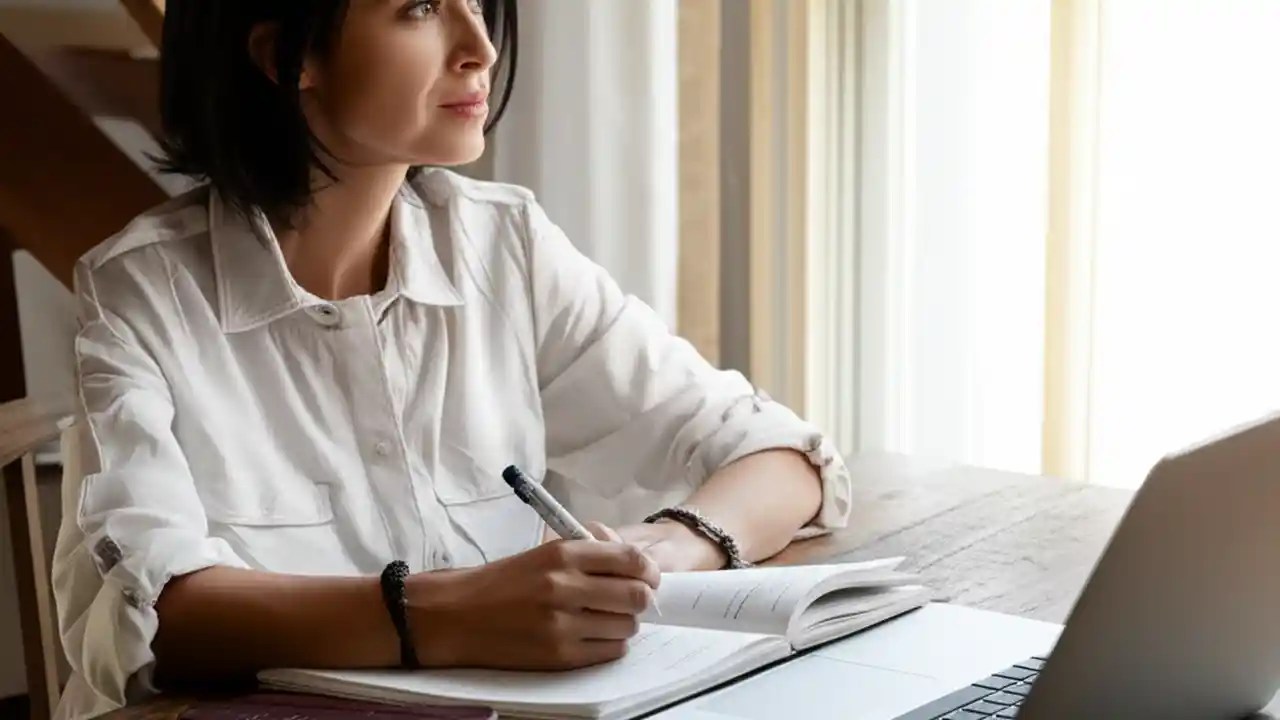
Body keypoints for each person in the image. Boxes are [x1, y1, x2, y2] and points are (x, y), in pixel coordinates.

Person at [50, 1, 852, 719]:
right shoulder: (139, 291)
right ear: (287, 58)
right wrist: (448, 612)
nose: (480, 48)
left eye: (475, 3)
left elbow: (781, 457)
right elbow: (161, 616)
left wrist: (670, 548)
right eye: (422, 8)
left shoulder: (504, 245)